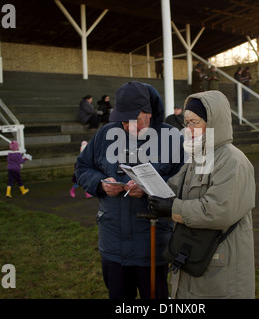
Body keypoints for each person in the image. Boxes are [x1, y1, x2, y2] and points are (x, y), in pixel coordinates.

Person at [75, 81, 185, 299]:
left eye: (133, 121)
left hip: (153, 244)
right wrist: (99, 183)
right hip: (113, 245)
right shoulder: (105, 134)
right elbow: (82, 167)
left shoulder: (171, 137)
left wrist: (150, 186)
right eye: (123, 121)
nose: (127, 126)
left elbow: (185, 180)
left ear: (149, 113)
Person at [147, 91, 256, 298]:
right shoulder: (198, 157)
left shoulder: (232, 161)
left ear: (213, 123)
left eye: (194, 122)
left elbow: (218, 211)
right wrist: (148, 188)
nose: (188, 129)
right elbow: (174, 187)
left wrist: (172, 208)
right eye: (186, 123)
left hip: (221, 271)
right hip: (196, 257)